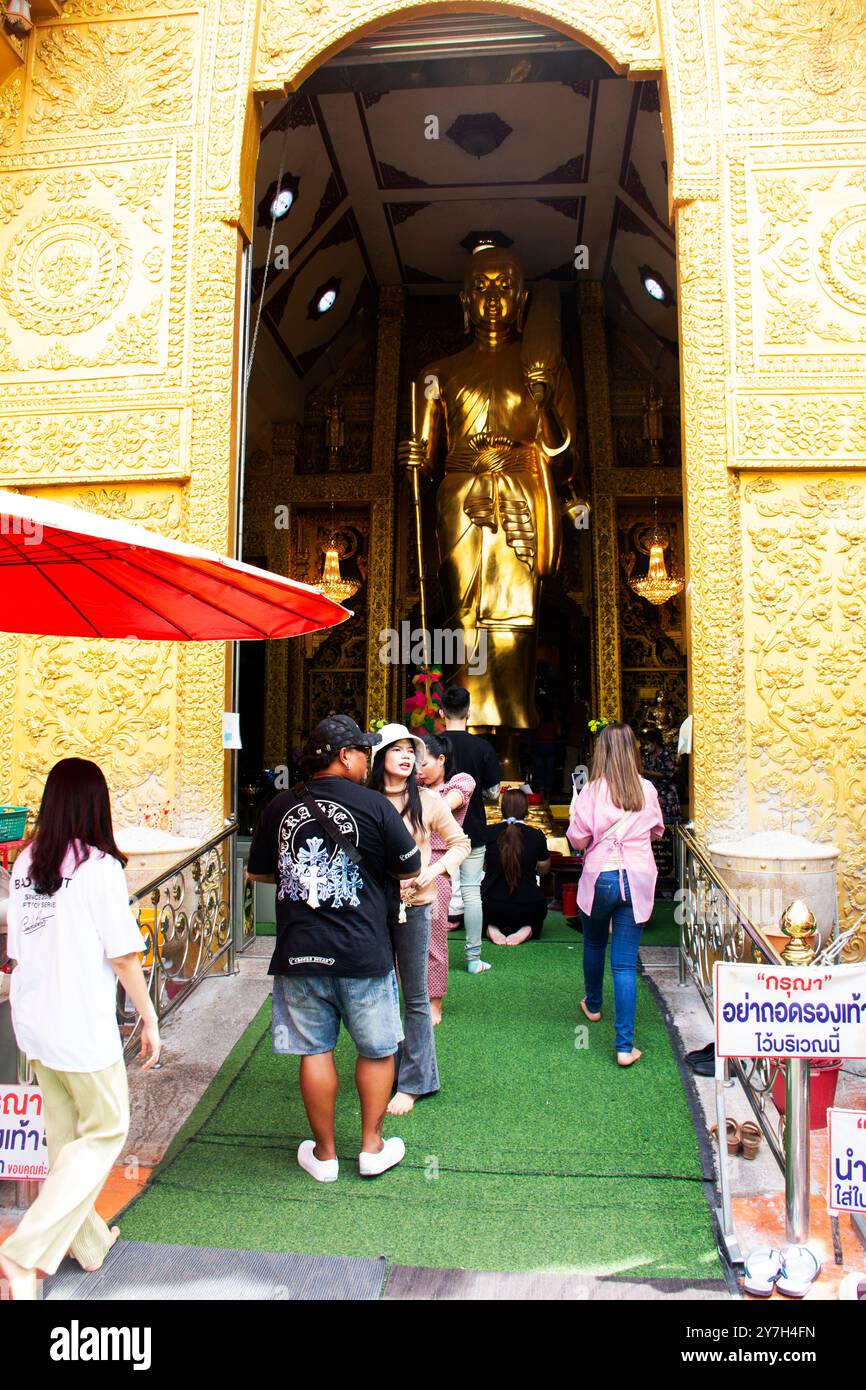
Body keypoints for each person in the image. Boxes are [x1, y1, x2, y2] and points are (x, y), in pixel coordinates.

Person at [0, 758, 160, 1302]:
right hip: (79, 1025)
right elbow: (123, 955)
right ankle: (23, 1253)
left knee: (66, 1139)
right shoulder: (98, 868)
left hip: (35, 1022)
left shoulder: (25, 863)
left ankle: (86, 1242)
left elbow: (17, 952)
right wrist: (149, 1016)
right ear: (98, 804)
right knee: (106, 1131)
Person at [247, 715, 422, 1183]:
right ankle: (370, 1147)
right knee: (377, 1050)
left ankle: (324, 1155)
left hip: (300, 950)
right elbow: (409, 868)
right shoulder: (375, 805)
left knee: (315, 1051)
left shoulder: (280, 806)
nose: (368, 762)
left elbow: (261, 873)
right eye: (364, 753)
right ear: (345, 755)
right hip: (362, 949)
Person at [368, 725, 469, 1112]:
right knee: (378, 992)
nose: (408, 755)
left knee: (414, 994)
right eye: (397, 749)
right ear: (380, 757)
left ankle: (415, 1081)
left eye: (412, 749)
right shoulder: (366, 800)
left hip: (417, 905)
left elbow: (461, 843)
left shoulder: (428, 799)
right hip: (373, 908)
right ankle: (385, 1070)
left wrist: (434, 871)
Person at [566, 723, 664, 1068]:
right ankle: (625, 1046)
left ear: (602, 752)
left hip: (602, 878)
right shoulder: (647, 789)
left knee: (594, 945)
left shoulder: (592, 791)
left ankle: (593, 1005)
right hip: (637, 879)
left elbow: (577, 838)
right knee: (624, 964)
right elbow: (657, 830)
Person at [438, 684, 501, 974]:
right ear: (469, 713)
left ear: (441, 712)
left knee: (435, 892)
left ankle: (432, 956)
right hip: (472, 828)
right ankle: (473, 958)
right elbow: (492, 792)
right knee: (472, 892)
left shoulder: (432, 745)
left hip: (438, 831)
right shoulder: (482, 747)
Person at [416, 732, 476, 1023]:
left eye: (423, 763)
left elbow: (448, 804)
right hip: (407, 860)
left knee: (434, 936)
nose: (418, 770)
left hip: (439, 862)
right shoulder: (411, 784)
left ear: (441, 760)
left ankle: (434, 1001)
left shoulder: (460, 782)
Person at [481, 787, 550, 945]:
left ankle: (490, 927)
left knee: (479, 911)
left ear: (502, 808)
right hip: (528, 906)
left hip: (492, 906)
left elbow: (483, 866)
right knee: (537, 913)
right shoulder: (536, 835)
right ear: (526, 809)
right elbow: (544, 869)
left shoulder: (488, 833)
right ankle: (527, 928)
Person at [640, 726, 681, 821]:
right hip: (653, 793)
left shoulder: (666, 755)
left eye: (647, 744)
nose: (645, 747)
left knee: (668, 823)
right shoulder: (647, 757)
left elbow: (669, 774)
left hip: (666, 793)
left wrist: (646, 772)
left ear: (654, 743)